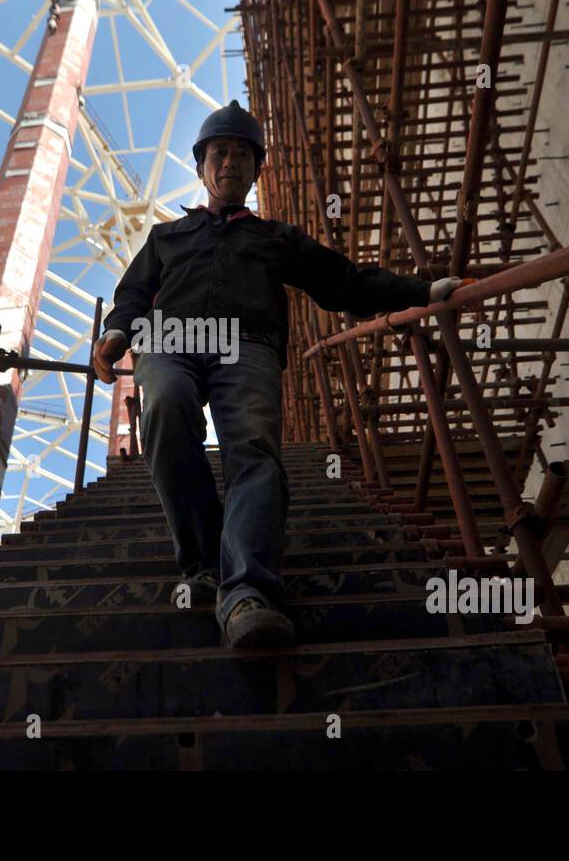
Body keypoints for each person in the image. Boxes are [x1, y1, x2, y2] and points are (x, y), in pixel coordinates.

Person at [91, 100, 465, 649]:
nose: (229, 163)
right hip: (172, 340)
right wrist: (117, 331)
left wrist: (421, 293)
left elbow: (343, 282)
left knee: (254, 449)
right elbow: (132, 294)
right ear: (201, 167)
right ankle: (203, 564)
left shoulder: (274, 238)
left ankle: (247, 593)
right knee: (166, 406)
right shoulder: (166, 237)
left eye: (242, 154)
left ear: (254, 170)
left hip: (248, 343)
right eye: (218, 153)